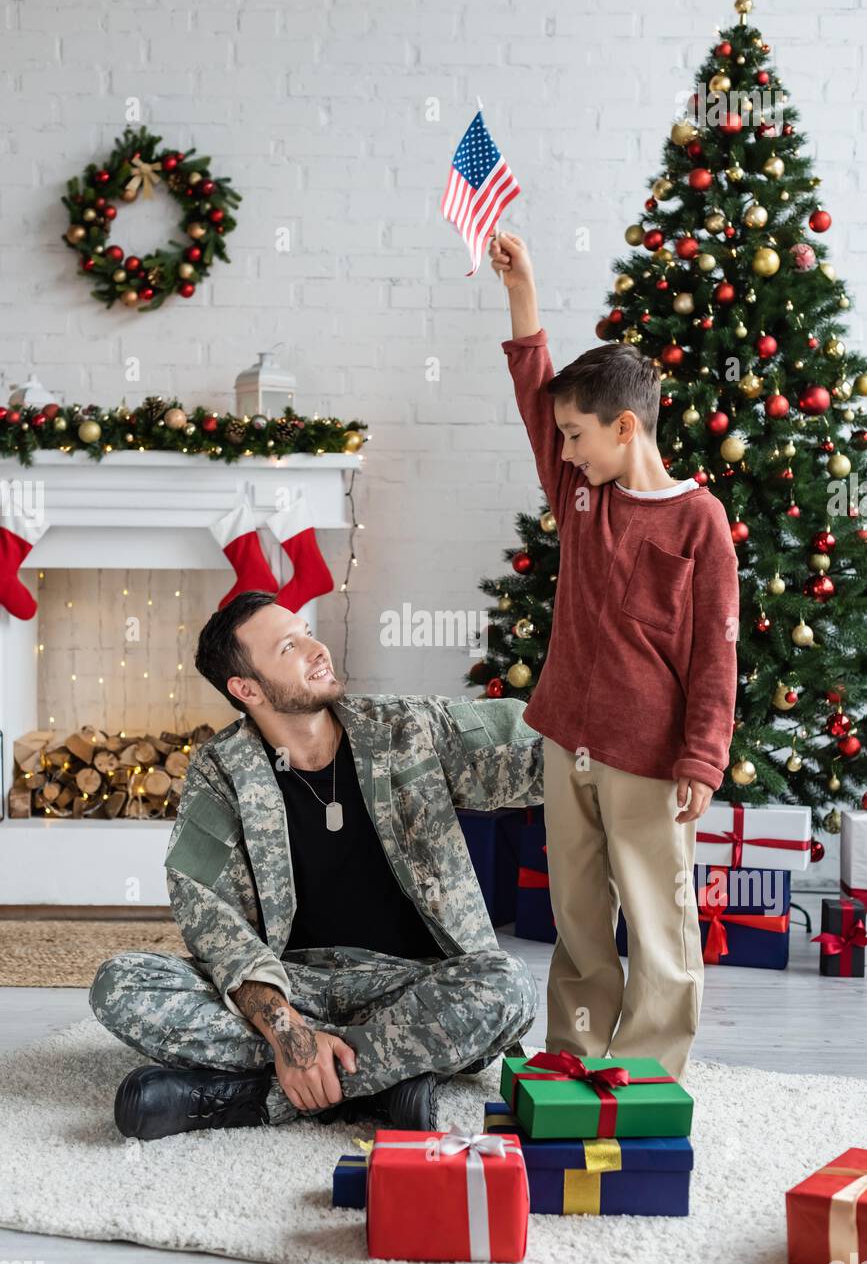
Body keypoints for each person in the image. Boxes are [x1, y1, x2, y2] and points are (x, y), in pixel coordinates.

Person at [89, 592, 542, 1140]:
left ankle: (257, 1099)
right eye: (289, 646)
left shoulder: (407, 727)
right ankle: (384, 1078)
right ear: (246, 688)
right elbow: (210, 917)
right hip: (291, 984)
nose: (316, 648)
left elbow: (534, 745)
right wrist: (287, 1033)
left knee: (507, 985)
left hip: (408, 983)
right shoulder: (220, 773)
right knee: (121, 983)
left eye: (306, 631)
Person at [487, 229, 739, 1079]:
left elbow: (715, 656)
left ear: (624, 427)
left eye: (576, 438)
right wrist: (523, 291)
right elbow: (533, 392)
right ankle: (578, 1054)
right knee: (577, 915)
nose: (561, 453)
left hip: (651, 758)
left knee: (658, 918)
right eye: (559, 441)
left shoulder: (697, 522)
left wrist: (703, 758)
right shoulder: (580, 496)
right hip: (570, 742)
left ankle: (646, 1070)